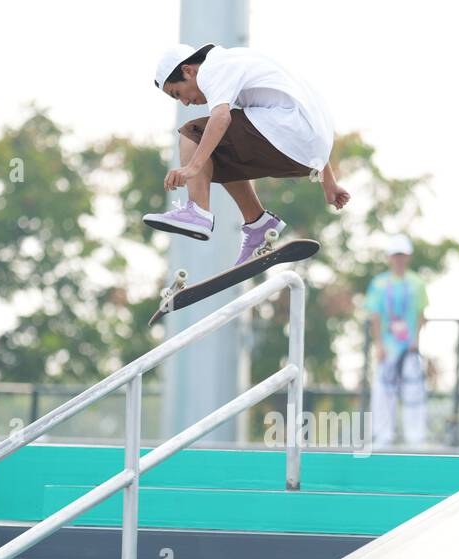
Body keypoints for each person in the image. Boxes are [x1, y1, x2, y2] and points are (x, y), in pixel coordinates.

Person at [144, 43, 349, 264]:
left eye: (178, 94)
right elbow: (311, 126)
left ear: (188, 70)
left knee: (193, 133)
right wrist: (328, 182)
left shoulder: (212, 68)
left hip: (289, 134)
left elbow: (221, 118)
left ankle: (198, 212)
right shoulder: (242, 62)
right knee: (216, 151)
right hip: (306, 152)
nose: (185, 102)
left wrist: (192, 167)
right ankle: (258, 223)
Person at [366, 235, 429, 448]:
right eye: (395, 255)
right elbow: (374, 316)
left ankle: (416, 436)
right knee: (383, 391)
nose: (399, 259)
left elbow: (421, 313)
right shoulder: (380, 283)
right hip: (388, 346)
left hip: (409, 347)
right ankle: (383, 435)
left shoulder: (417, 283)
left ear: (408, 257)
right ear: (390, 257)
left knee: (414, 390)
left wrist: (416, 341)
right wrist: (379, 345)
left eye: (402, 255)